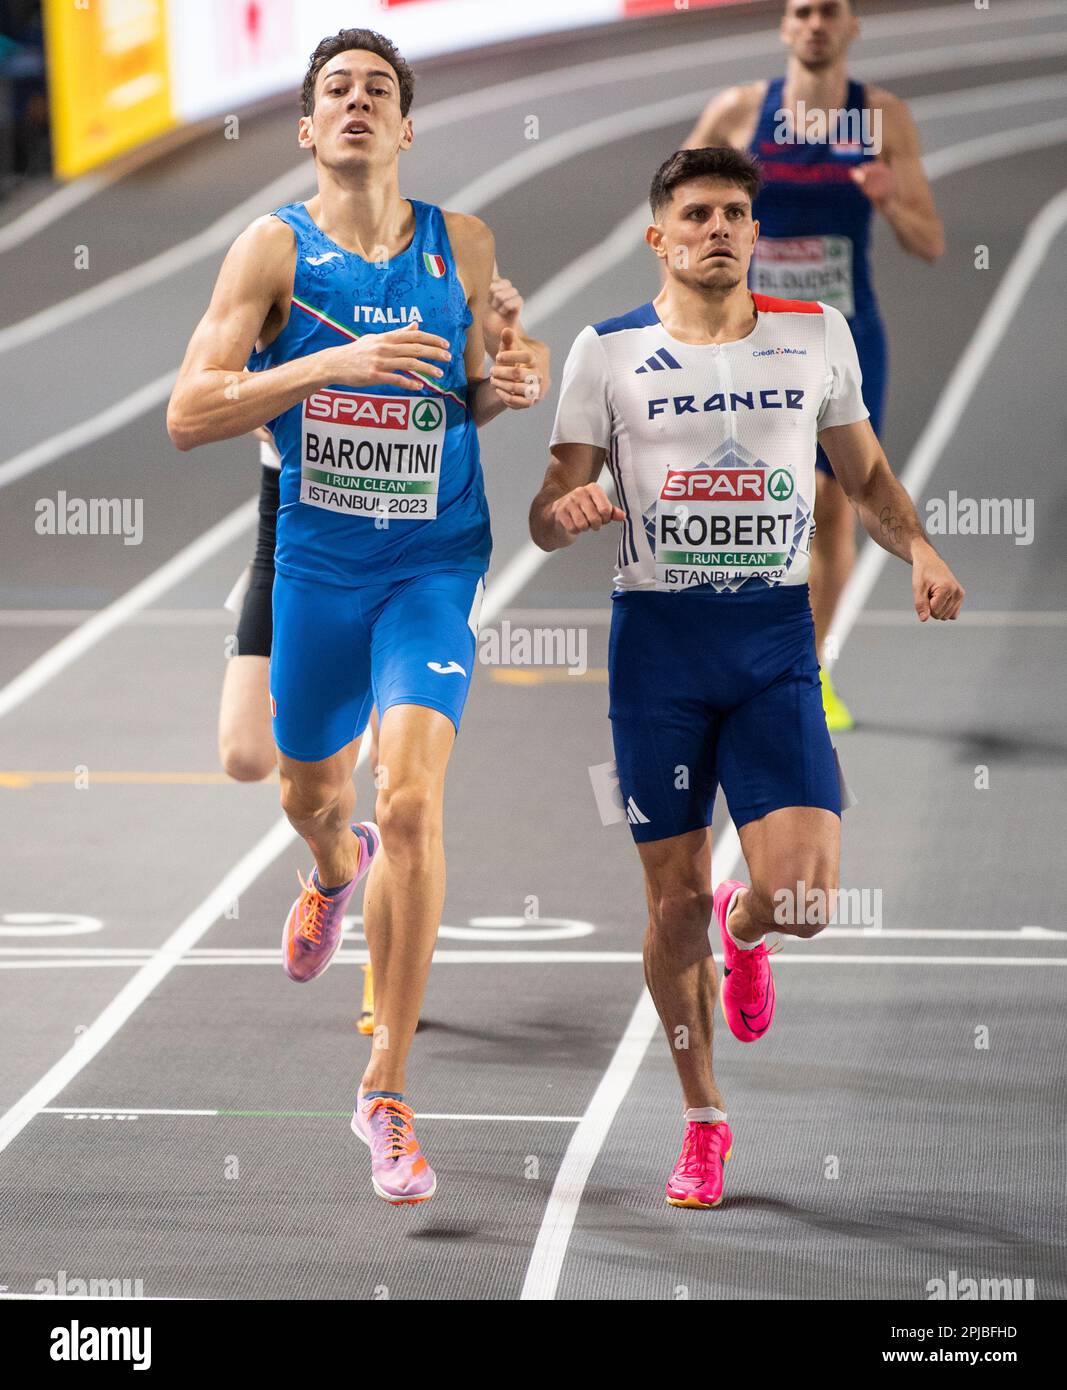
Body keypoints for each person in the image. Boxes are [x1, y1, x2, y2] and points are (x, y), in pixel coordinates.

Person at [530, 146, 962, 1208]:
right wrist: (565, 515)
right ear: (658, 236)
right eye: (696, 214)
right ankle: (703, 1119)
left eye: (733, 212)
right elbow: (546, 511)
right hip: (657, 650)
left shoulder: (815, 336)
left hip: (772, 638)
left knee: (803, 898)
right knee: (665, 906)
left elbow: (863, 477)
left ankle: (746, 925)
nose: (716, 228)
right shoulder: (606, 352)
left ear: (751, 232)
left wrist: (921, 550)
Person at [168, 27, 547, 1204]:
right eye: (334, 89)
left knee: (415, 791)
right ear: (304, 125)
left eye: (379, 90)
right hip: (317, 568)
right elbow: (188, 412)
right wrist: (324, 370)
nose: (356, 102)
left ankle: (383, 1088)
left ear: (406, 125)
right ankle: (333, 869)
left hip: (431, 562)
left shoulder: (464, 240)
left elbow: (466, 393)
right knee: (303, 790)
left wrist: (507, 377)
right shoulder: (269, 249)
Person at [218, 273, 549, 1035]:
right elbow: (211, 397)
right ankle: (336, 867)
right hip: (300, 540)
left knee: (397, 784)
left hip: (410, 553)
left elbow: (499, 381)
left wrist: (511, 342)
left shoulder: (436, 283)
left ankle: (383, 972)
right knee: (247, 756)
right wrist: (315, 370)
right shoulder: (282, 280)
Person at [685, 0, 944, 729]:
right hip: (744, 341)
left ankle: (807, 670)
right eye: (801, 10)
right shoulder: (739, 112)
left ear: (851, 25)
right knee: (743, 500)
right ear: (784, 27)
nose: (815, 24)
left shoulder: (882, 119)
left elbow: (929, 242)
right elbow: (669, 202)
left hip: (840, 340)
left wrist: (892, 202)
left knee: (832, 507)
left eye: (829, 10)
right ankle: (732, 657)